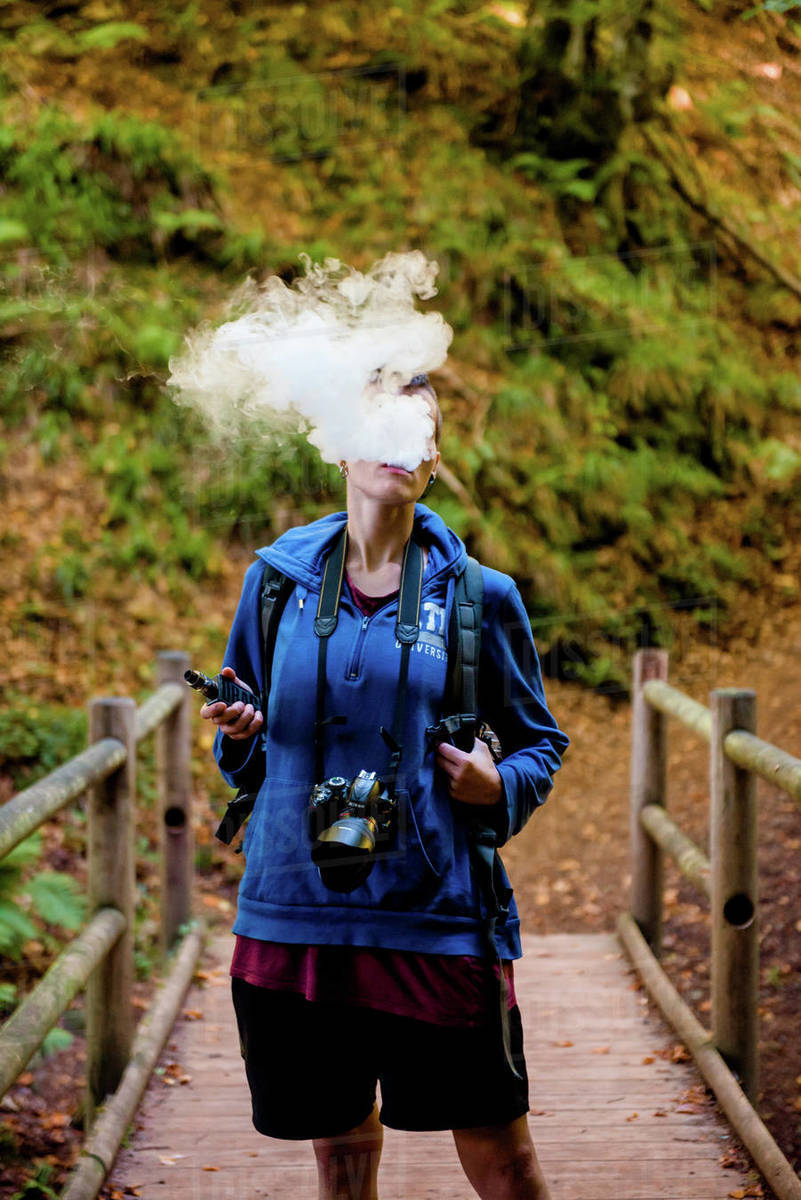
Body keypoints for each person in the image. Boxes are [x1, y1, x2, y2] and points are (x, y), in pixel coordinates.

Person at [200, 376, 569, 1200]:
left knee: (503, 1160)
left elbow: (540, 745)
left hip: (436, 917)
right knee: (338, 1159)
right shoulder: (275, 587)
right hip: (297, 910)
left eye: (417, 430)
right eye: (375, 423)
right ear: (336, 442)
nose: (397, 443)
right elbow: (248, 756)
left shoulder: (482, 597)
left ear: (433, 461)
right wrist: (242, 733)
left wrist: (493, 785)